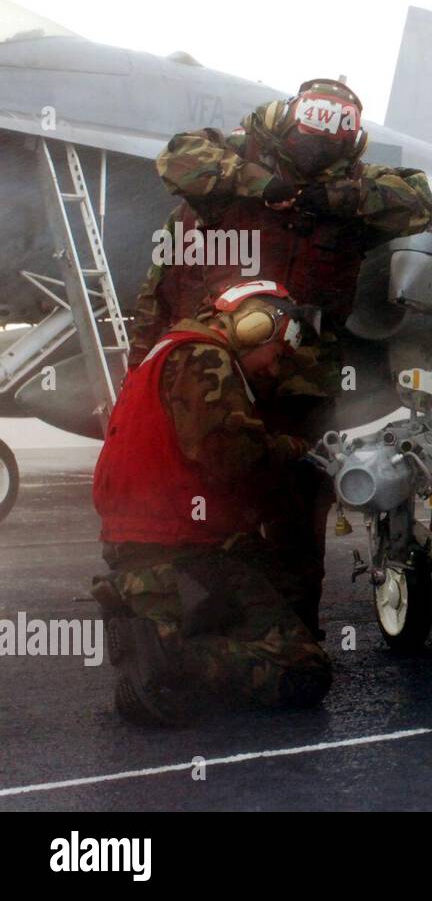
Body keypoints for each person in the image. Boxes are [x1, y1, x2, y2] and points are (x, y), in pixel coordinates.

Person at [127, 78, 432, 637]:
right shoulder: (230, 155)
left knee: (296, 507)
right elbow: (176, 158)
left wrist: (334, 199)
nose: (320, 145)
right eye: (313, 124)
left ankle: (290, 637)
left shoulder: (353, 185)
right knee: (195, 496)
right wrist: (262, 185)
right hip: (206, 371)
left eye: (337, 131)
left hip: (299, 380)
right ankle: (187, 632)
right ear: (289, 119)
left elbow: (417, 200)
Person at [92, 281, 332, 726]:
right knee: (304, 671)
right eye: (278, 354)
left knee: (272, 582)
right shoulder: (206, 358)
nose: (275, 370)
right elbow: (230, 457)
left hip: (141, 546)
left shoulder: (164, 352)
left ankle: (159, 633)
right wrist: (298, 450)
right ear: (254, 325)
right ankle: (169, 657)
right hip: (185, 549)